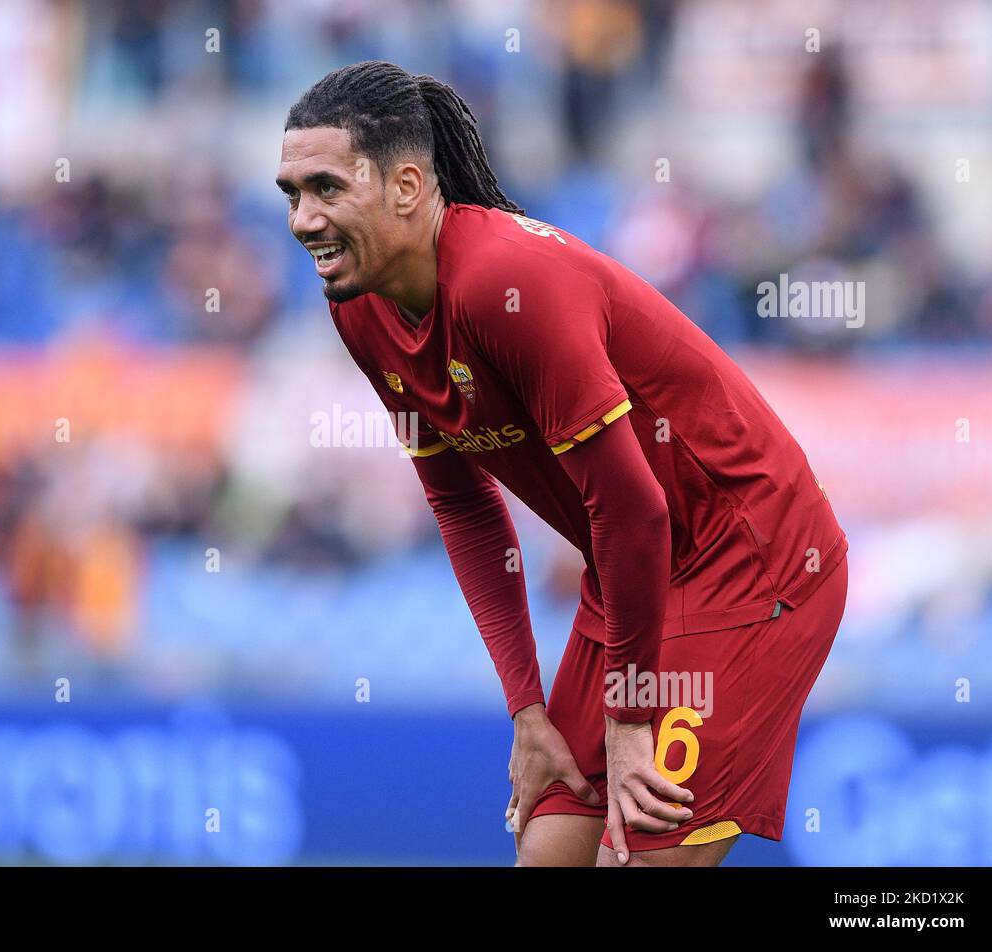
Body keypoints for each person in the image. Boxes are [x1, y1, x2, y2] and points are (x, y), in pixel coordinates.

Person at [276, 61, 848, 866]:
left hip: (749, 558)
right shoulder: (361, 309)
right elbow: (464, 506)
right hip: (632, 573)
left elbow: (637, 507)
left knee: (635, 855)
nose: (303, 220)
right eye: (290, 194)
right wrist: (527, 711)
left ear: (406, 185)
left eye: (326, 188)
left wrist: (629, 717)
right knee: (549, 855)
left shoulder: (505, 282)